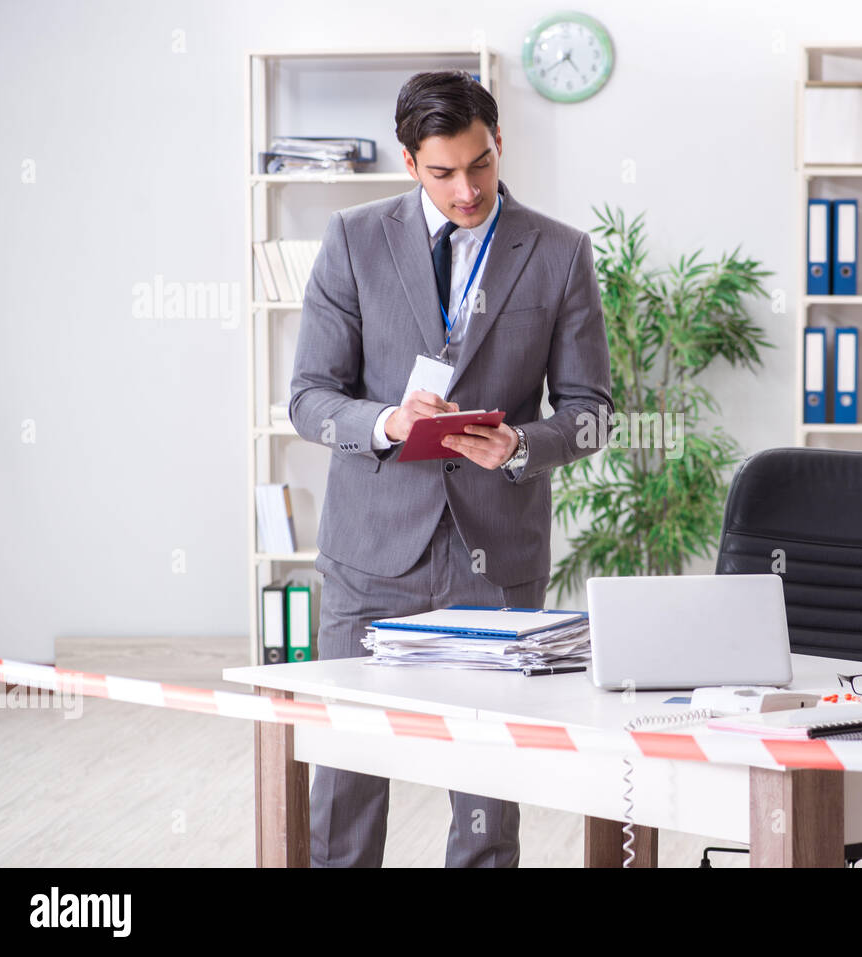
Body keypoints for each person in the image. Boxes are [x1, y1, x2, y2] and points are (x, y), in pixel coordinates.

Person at [289, 69, 614, 867]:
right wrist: (388, 422)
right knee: (349, 773)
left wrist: (524, 446)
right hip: (372, 553)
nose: (466, 189)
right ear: (409, 163)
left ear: (499, 145)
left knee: (485, 779)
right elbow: (308, 398)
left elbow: (591, 412)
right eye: (443, 172)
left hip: (495, 556)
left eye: (480, 164)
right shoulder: (354, 239)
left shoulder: (561, 252)